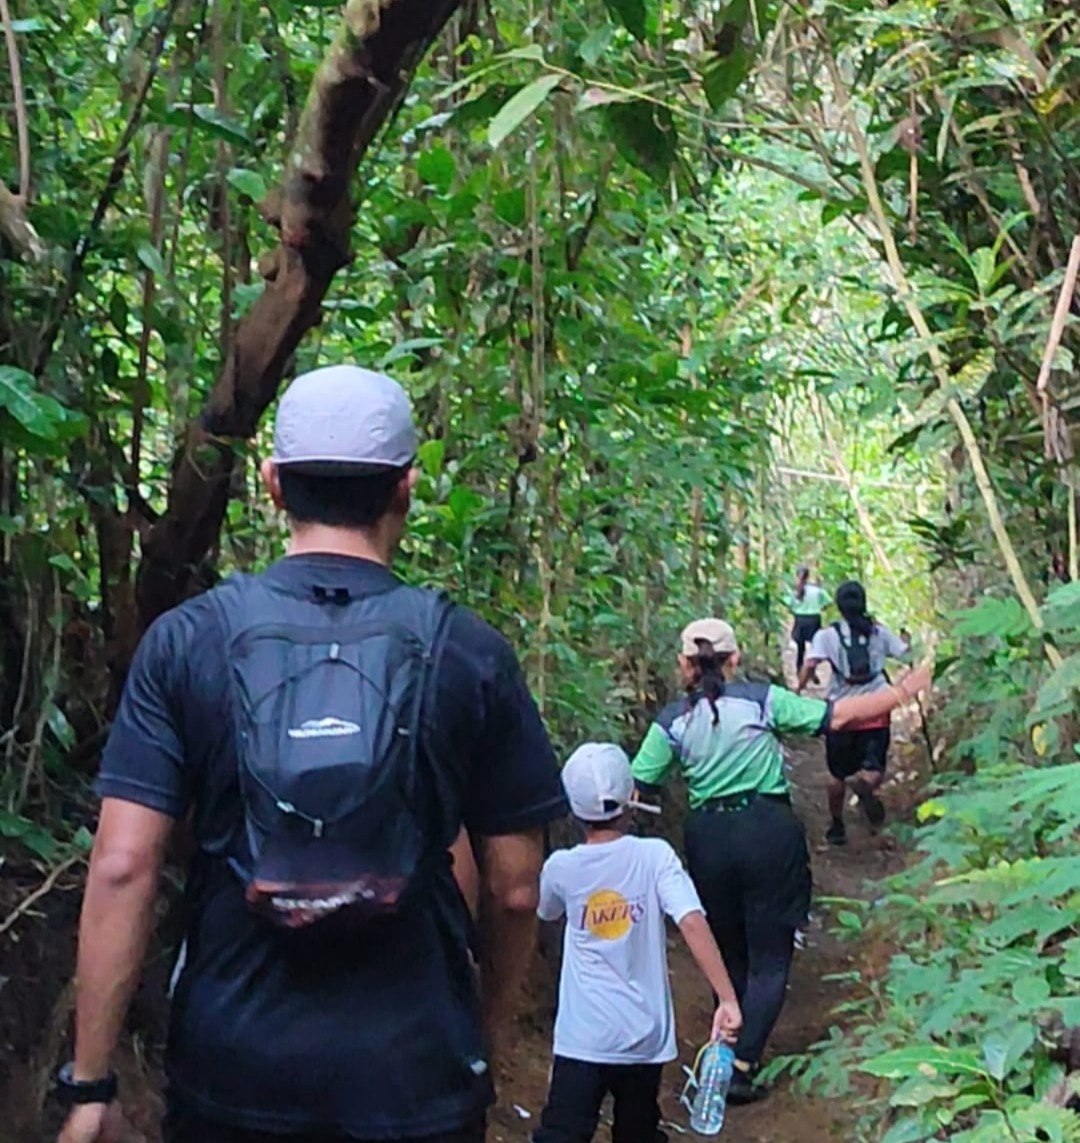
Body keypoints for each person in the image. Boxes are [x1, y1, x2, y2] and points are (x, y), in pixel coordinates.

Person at [56, 365, 568, 1143]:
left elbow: (124, 863)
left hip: (232, 1072)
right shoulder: (468, 651)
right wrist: (478, 1038)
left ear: (271, 484)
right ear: (405, 489)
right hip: (414, 1072)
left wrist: (91, 1082)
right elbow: (516, 888)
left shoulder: (188, 641)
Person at [631, 618, 929, 1102]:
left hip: (708, 839)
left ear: (685, 664)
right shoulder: (761, 700)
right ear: (734, 659)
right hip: (768, 831)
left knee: (730, 953)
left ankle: (727, 1044)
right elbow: (839, 717)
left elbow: (635, 784)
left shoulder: (670, 722)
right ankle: (741, 1064)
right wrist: (903, 691)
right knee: (771, 955)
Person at [534, 743, 742, 1143]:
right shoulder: (655, 857)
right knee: (638, 1129)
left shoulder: (561, 868)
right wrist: (727, 998)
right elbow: (691, 920)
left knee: (562, 1130)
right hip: (644, 1036)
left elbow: (545, 911)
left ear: (573, 808)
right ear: (632, 797)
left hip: (583, 1036)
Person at [797, 580, 910, 847]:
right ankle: (866, 785)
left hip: (841, 712)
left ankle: (837, 826)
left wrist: (798, 690)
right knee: (875, 767)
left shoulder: (826, 636)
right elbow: (907, 656)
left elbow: (809, 665)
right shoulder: (879, 633)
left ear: (838, 605)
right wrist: (907, 642)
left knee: (836, 774)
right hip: (876, 708)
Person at [785, 565, 831, 674]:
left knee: (800, 648)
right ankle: (811, 670)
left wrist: (796, 610)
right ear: (808, 576)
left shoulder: (794, 592)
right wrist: (820, 607)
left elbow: (788, 605)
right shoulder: (817, 590)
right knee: (814, 647)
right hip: (814, 619)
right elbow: (828, 602)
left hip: (800, 619)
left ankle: (799, 670)